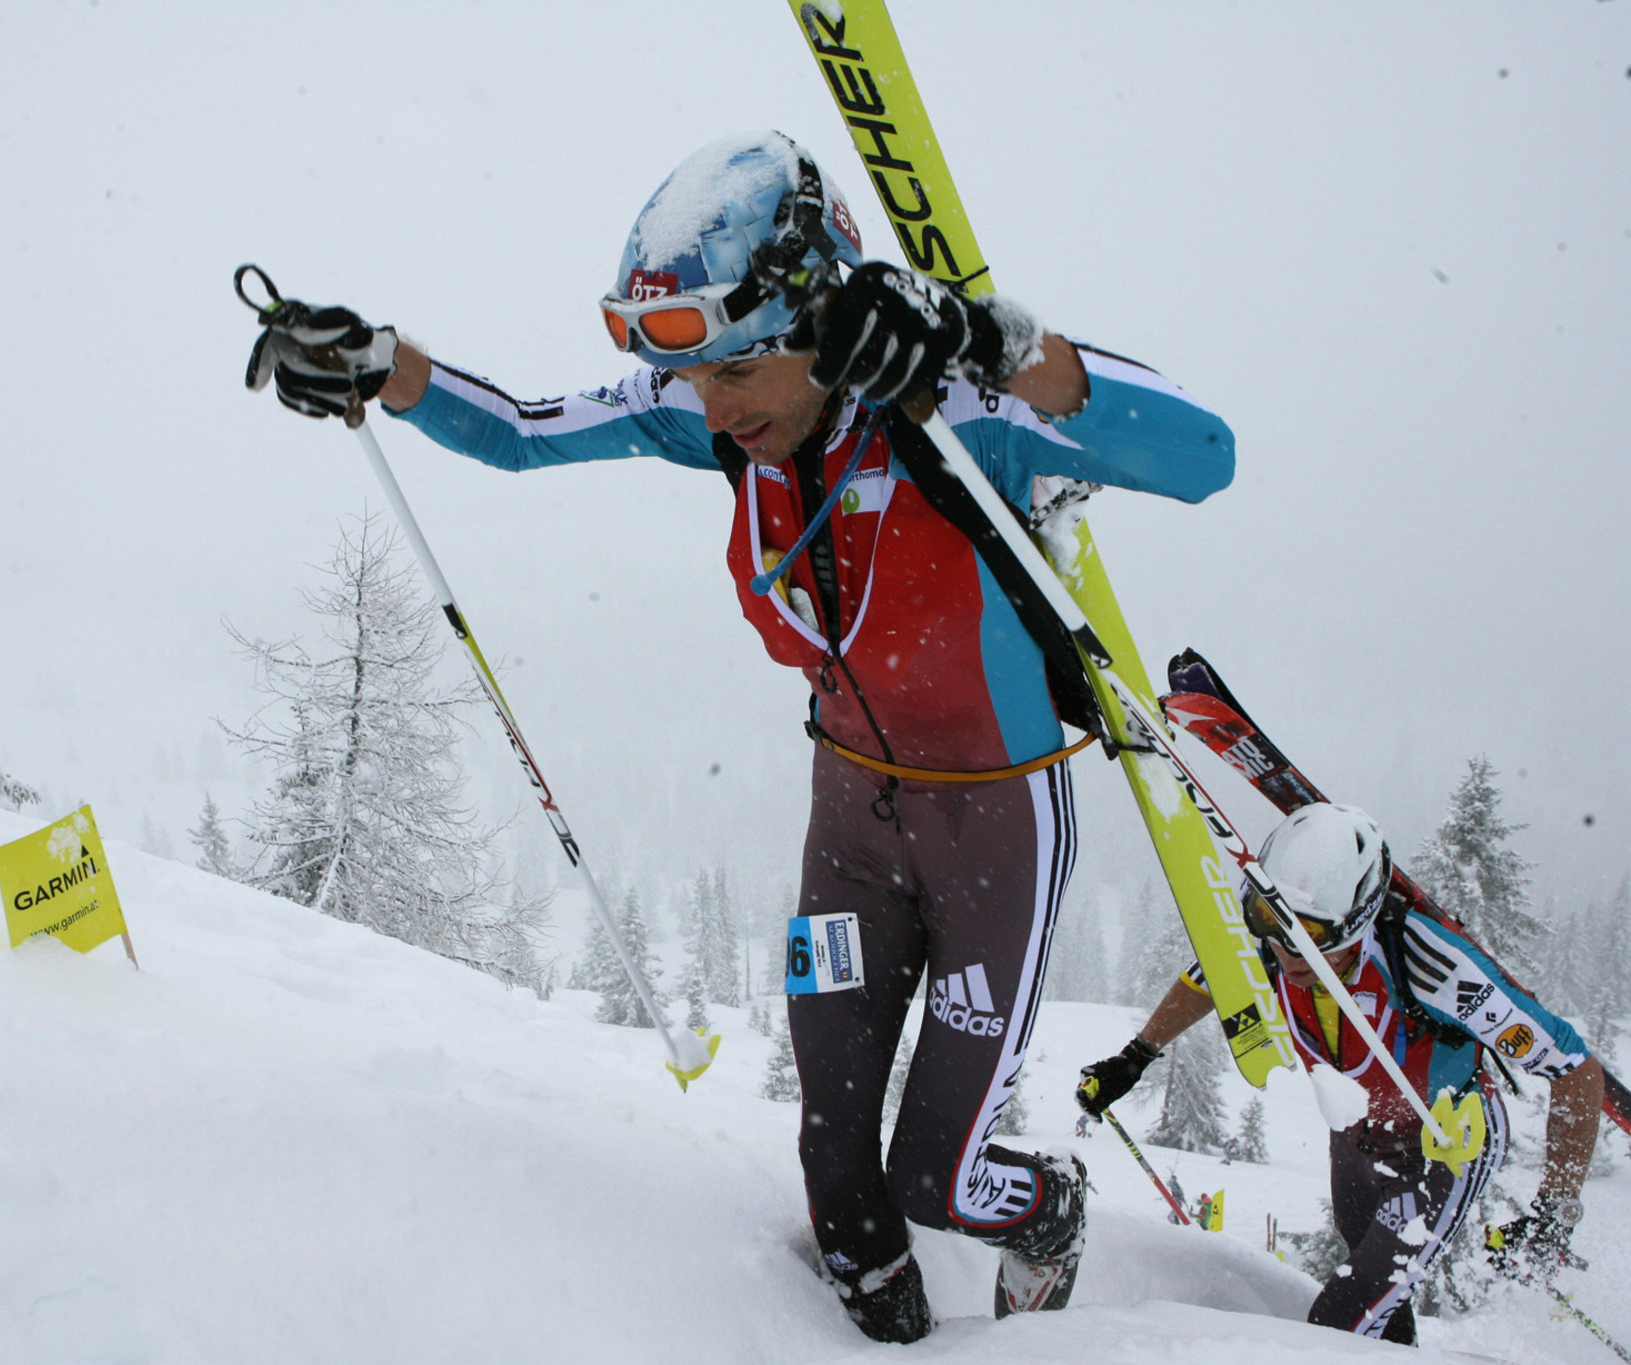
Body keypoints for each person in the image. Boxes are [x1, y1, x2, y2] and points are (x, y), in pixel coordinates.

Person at [245, 131, 1236, 1344]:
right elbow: (516, 426)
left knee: (938, 1177)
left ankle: (1047, 1210)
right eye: (697, 378)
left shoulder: (967, 413)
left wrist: (993, 342)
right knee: (837, 1176)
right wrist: (377, 364)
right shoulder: (709, 411)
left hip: (998, 830)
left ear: (820, 319)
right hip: (850, 829)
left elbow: (1204, 455)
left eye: (738, 372)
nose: (713, 407)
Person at [1076, 803, 1602, 1346]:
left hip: (1446, 1142)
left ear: (1359, 916)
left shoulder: (1432, 964)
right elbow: (1209, 978)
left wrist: (1556, 1208)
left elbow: (1574, 1067)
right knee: (1372, 1296)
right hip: (1358, 1129)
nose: (1289, 948)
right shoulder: (1271, 944)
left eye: (1313, 933)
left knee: (1342, 1314)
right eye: (1272, 923)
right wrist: (1135, 1056)